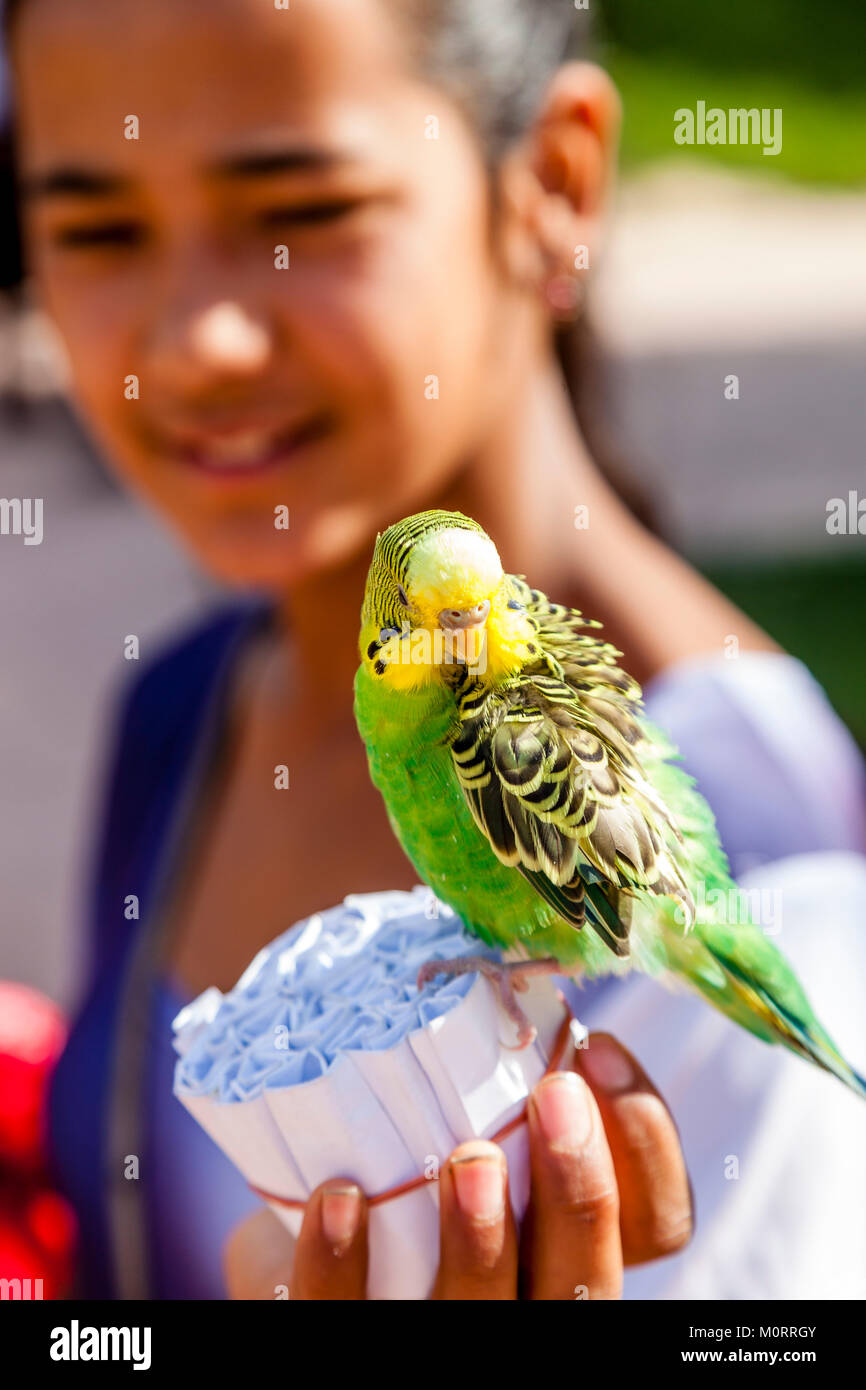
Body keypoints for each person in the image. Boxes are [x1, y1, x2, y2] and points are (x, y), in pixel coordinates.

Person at [3, 0, 864, 1299]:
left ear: (556, 181)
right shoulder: (183, 709)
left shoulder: (778, 868)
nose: (198, 341)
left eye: (298, 212)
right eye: (98, 226)